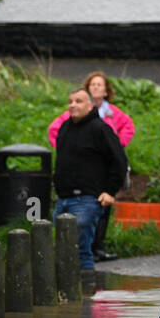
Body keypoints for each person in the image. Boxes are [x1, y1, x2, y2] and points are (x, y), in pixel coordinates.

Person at [48, 72, 134, 262]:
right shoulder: (64, 128)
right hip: (63, 199)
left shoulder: (100, 128)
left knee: (81, 252)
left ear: (89, 105)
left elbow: (118, 159)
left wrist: (110, 191)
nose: (73, 105)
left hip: (87, 200)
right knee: (62, 252)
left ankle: (86, 290)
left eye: (78, 101)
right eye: (70, 101)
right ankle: (66, 291)